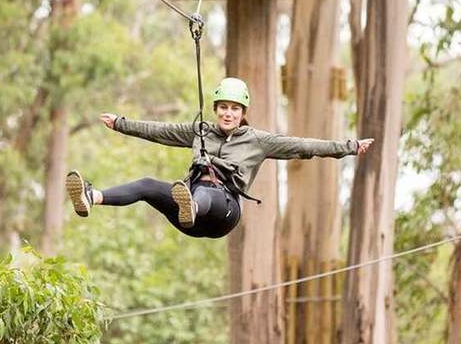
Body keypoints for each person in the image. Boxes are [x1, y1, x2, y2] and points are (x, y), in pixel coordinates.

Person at [66, 77, 374, 239]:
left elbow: (305, 146)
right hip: (190, 218)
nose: (228, 113)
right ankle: (92, 196)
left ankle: (192, 205)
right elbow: (158, 130)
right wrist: (121, 123)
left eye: (234, 109)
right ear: (216, 109)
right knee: (148, 185)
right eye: (223, 107)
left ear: (243, 114)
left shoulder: (258, 141)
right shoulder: (200, 132)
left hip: (222, 212)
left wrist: (349, 146)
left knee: (207, 189)